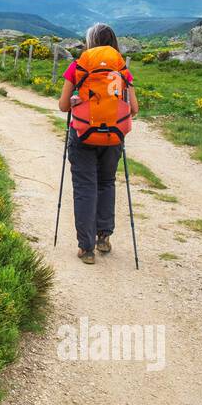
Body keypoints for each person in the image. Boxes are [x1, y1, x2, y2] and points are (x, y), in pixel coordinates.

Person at [57, 23, 139, 264]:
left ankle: (86, 248)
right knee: (106, 182)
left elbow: (63, 106)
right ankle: (103, 237)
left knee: (85, 187)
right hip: (113, 136)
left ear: (90, 42)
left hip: (82, 134)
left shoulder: (78, 66)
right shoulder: (121, 68)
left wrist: (76, 102)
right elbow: (133, 109)